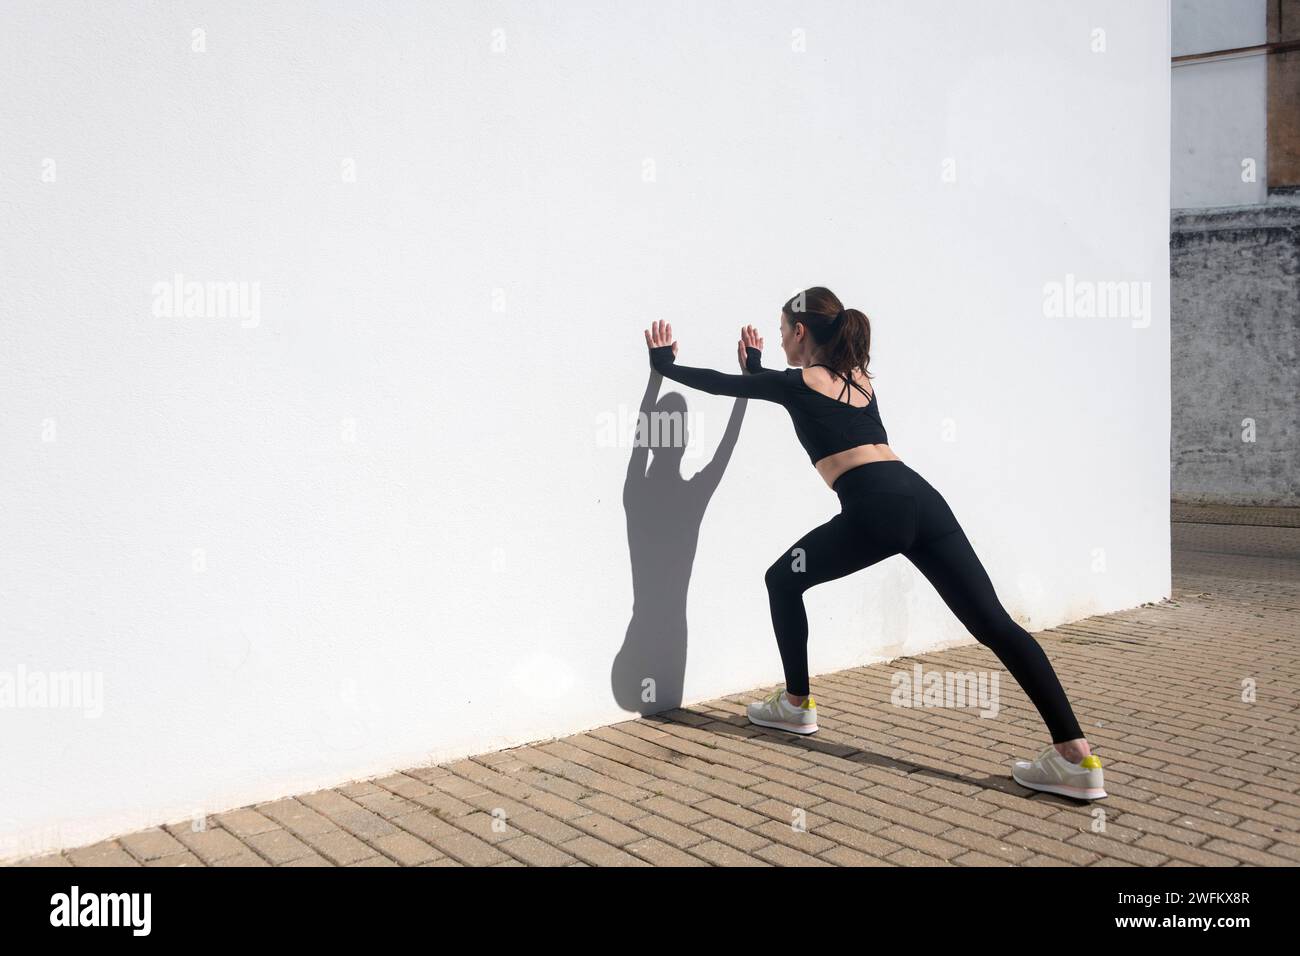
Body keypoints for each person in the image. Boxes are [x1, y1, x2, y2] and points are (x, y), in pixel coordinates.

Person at [642, 287, 1106, 800]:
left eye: (781, 333)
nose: (778, 343)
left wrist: (665, 366)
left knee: (781, 579)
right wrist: (755, 365)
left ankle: (795, 705)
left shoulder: (801, 383)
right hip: (921, 498)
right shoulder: (859, 381)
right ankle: (1075, 756)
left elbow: (723, 385)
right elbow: (771, 387)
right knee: (994, 622)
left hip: (876, 507)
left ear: (800, 332)